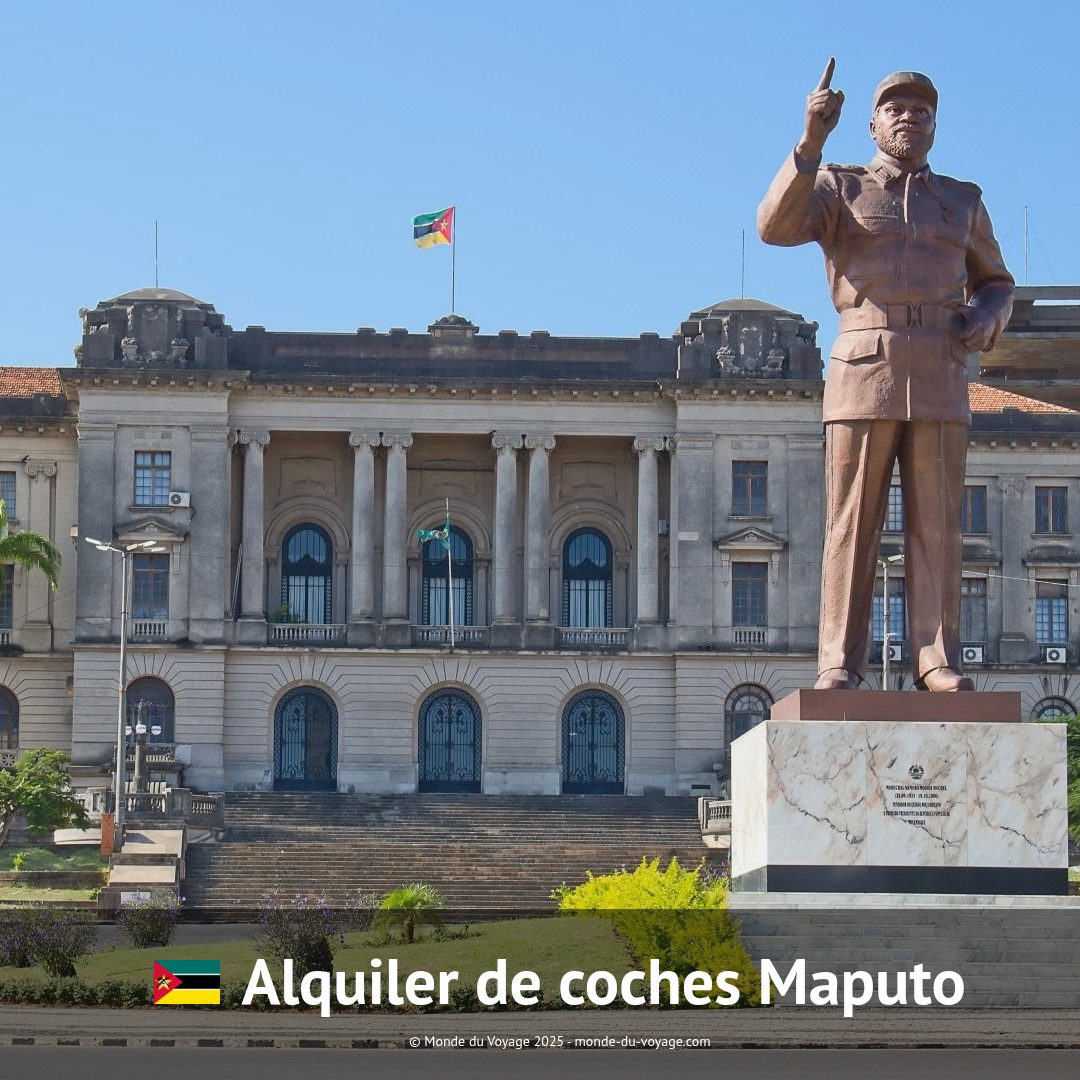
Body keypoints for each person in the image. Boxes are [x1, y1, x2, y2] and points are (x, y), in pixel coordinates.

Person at [757, 60, 1014, 691]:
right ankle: (839, 661)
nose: (910, 117)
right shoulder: (839, 186)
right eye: (896, 108)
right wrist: (810, 142)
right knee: (852, 522)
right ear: (872, 124)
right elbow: (774, 227)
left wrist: (988, 312)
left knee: (938, 525)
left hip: (940, 366)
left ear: (935, 125)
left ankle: (936, 658)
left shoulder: (962, 200)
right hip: (864, 362)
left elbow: (997, 280)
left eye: (922, 109)